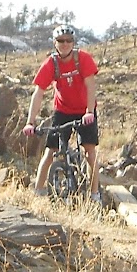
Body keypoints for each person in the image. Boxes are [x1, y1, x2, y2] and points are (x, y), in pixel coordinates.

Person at [22, 25, 100, 202]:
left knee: (89, 152)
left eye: (68, 41)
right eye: (60, 41)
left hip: (84, 110)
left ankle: (95, 194)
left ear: (73, 42)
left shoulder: (83, 58)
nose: (64, 44)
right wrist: (30, 122)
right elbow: (39, 92)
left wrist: (89, 112)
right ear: (54, 43)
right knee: (51, 151)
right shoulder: (52, 63)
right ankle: (38, 193)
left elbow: (90, 86)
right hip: (63, 110)